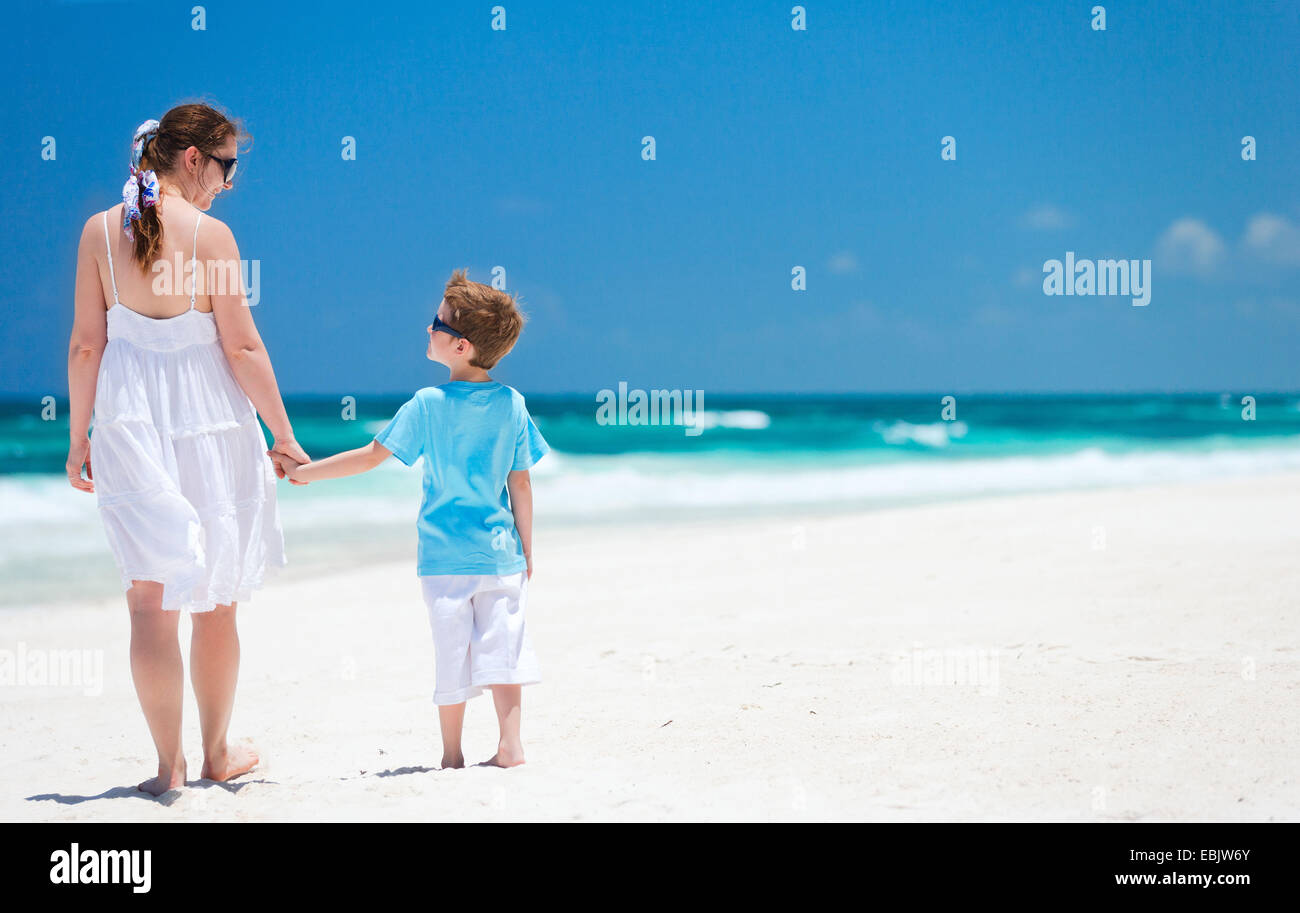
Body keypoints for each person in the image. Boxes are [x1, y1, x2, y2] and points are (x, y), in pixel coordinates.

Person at [65, 104, 310, 795]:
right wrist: (284, 434)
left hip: (129, 422)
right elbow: (241, 345)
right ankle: (217, 753)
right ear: (194, 158)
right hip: (208, 424)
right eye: (227, 167)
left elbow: (88, 346)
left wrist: (80, 434)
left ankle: (167, 768)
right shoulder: (212, 236)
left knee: (148, 602)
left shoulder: (96, 233)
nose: (229, 184)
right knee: (215, 601)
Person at [270, 269, 547, 768]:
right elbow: (520, 482)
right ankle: (511, 745)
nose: (427, 329)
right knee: (503, 650)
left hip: (443, 559)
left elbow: (372, 456)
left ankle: (451, 755)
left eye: (436, 322)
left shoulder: (428, 404)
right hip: (500, 556)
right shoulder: (512, 404)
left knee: (451, 654)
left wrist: (307, 474)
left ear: (460, 346)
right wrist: (527, 548)